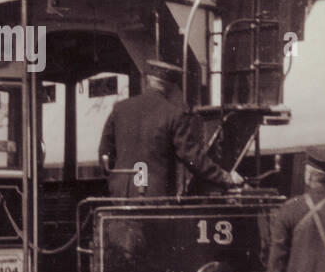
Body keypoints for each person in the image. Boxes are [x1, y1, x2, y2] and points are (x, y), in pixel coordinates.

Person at [97, 60, 243, 197]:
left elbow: (104, 151)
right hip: (155, 197)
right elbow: (191, 157)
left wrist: (116, 178)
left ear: (147, 80)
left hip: (121, 193)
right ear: (171, 87)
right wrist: (225, 177)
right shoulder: (173, 114)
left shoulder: (120, 108)